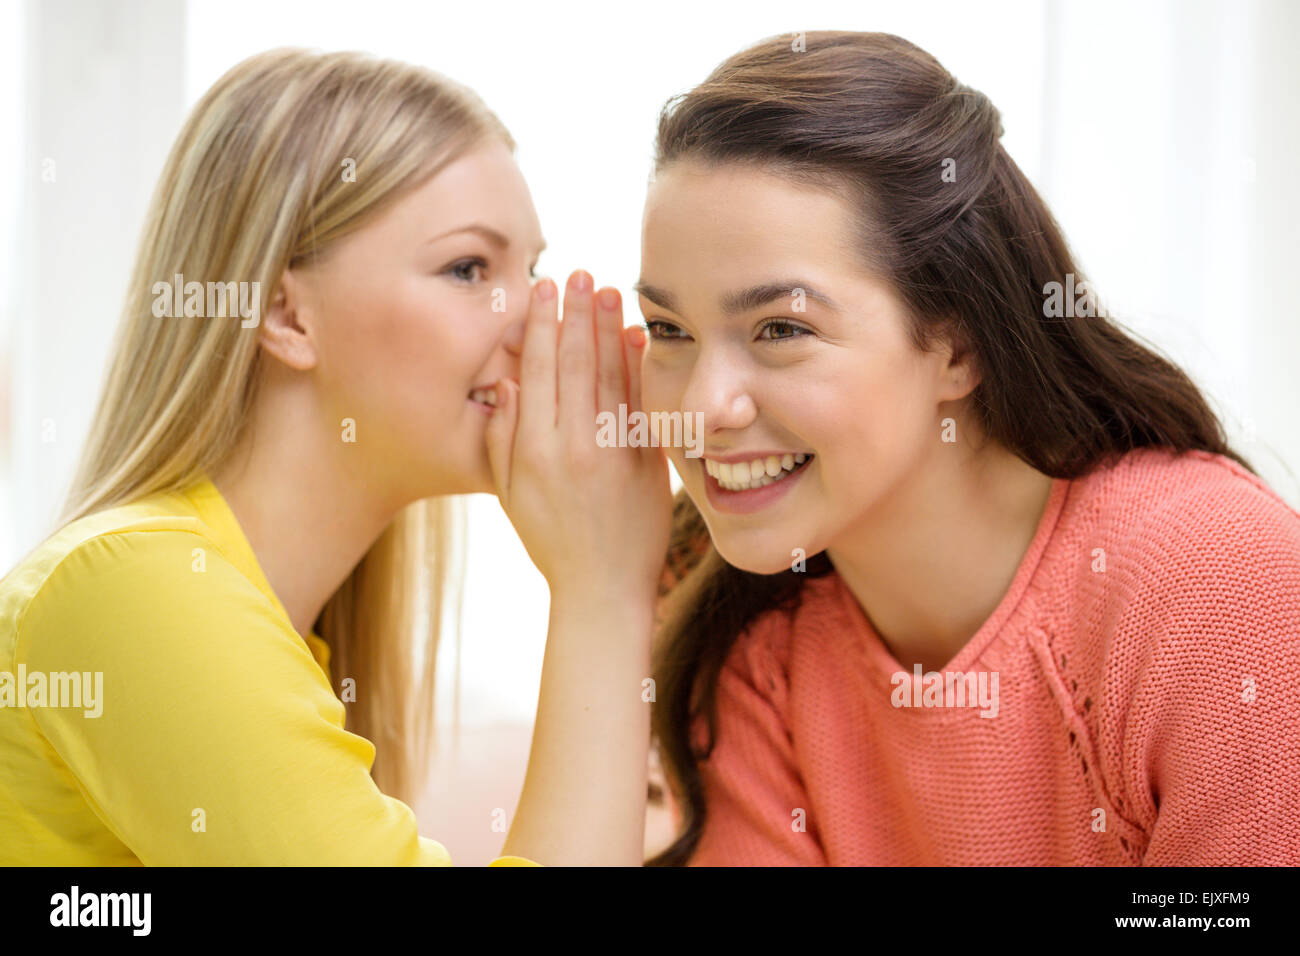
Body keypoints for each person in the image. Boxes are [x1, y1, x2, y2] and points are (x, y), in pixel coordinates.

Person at [639, 31, 1300, 865]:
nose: (702, 408)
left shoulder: (1215, 581)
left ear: (957, 345)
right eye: (669, 329)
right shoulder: (761, 645)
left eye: (782, 328)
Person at [0, 48, 672, 866]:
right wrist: (603, 594)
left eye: (528, 270)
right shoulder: (133, 588)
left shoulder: (256, 623)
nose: (533, 322)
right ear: (285, 315)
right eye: (467, 268)